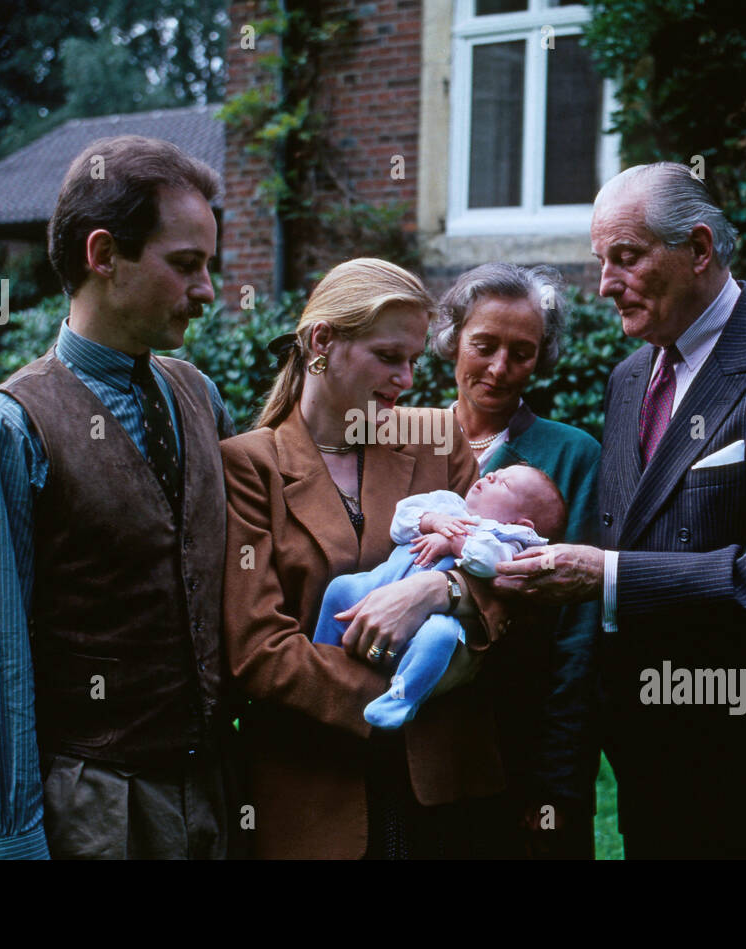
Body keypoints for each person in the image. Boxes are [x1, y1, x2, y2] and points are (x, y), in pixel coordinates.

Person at [495, 162, 746, 859]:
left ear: (700, 249)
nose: (604, 284)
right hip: (657, 766)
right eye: (600, 260)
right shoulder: (628, 378)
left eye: (626, 257)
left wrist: (605, 575)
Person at [0, 135, 237, 859]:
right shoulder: (4, 429)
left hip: (215, 801)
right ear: (104, 255)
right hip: (94, 815)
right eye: (186, 265)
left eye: (209, 266)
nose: (207, 290)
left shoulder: (200, 396)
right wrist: (11, 843)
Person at [221, 257, 521, 859]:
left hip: (447, 788)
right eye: (388, 357)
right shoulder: (249, 465)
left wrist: (438, 592)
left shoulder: (437, 438)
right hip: (313, 791)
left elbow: (504, 583)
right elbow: (258, 649)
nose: (405, 378)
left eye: (413, 360)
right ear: (321, 343)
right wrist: (412, 687)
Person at [434, 263, 604, 859]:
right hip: (422, 746)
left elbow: (579, 633)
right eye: (484, 345)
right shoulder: (407, 440)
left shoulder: (572, 455)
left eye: (522, 352)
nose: (500, 368)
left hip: (519, 742)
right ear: (453, 338)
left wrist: (558, 779)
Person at [312, 465, 566, 728]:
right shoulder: (448, 505)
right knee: (341, 588)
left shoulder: (507, 541)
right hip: (381, 583)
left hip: (432, 617)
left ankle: (401, 699)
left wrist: (454, 541)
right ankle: (324, 652)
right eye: (496, 472)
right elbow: (400, 522)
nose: (491, 476)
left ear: (520, 524)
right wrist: (432, 521)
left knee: (440, 636)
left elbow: (493, 564)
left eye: (504, 484)